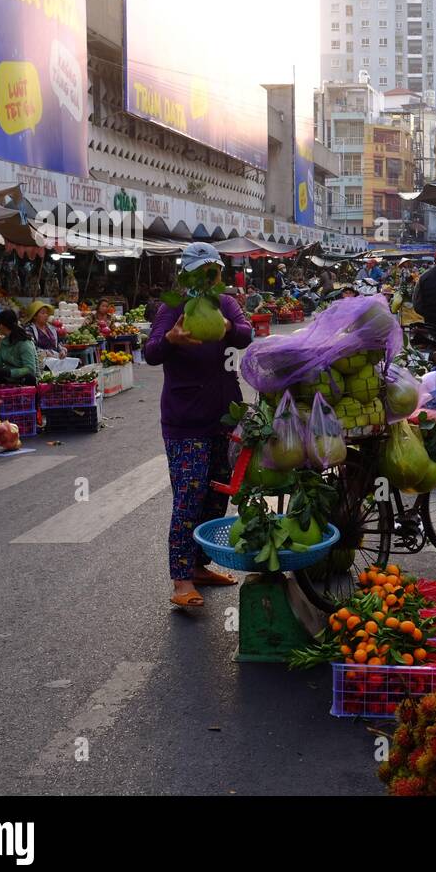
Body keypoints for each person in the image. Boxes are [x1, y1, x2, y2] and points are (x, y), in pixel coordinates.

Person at [143, 243, 254, 610]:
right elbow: (151, 351)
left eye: (214, 271)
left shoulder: (225, 304)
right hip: (185, 420)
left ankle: (199, 564)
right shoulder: (172, 307)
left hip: (224, 415)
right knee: (188, 498)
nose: (209, 277)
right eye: (201, 271)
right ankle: (181, 579)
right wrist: (171, 340)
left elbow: (245, 333)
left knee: (217, 493)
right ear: (187, 273)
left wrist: (227, 326)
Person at [0, 310, 39, 384]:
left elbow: (30, 369)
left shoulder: (24, 343)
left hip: (25, 380)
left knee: (29, 378)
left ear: (1, 326)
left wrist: (10, 372)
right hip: (9, 378)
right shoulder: (4, 342)